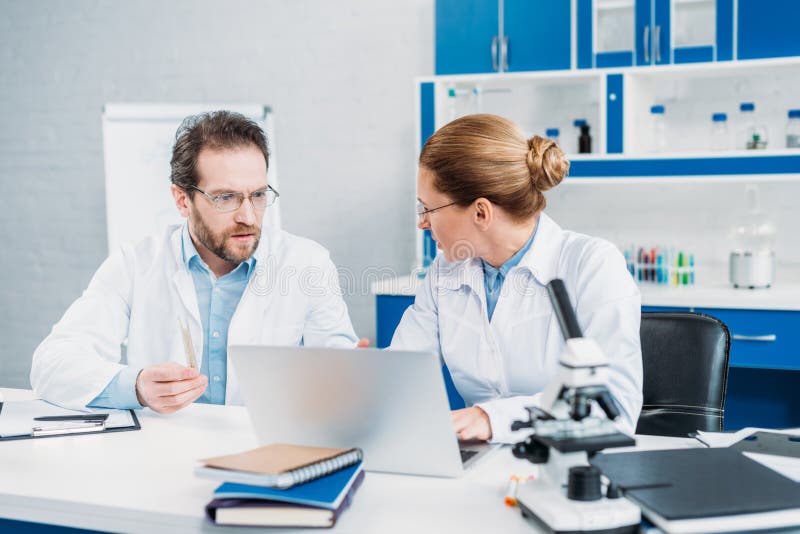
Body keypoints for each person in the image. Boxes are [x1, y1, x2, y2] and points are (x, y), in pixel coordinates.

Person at [32, 111, 364, 414]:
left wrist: (355, 375)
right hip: (162, 454)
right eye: (225, 197)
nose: (248, 216)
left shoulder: (308, 264)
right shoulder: (136, 264)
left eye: (258, 195)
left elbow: (341, 375)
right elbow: (51, 364)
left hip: (266, 450)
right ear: (182, 200)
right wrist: (136, 386)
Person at [390, 114, 642, 444]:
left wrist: (491, 418)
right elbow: (403, 372)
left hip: (568, 467)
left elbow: (616, 410)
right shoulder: (444, 271)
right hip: (481, 465)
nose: (423, 223)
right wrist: (364, 386)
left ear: (481, 212)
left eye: (429, 209)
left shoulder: (592, 265)